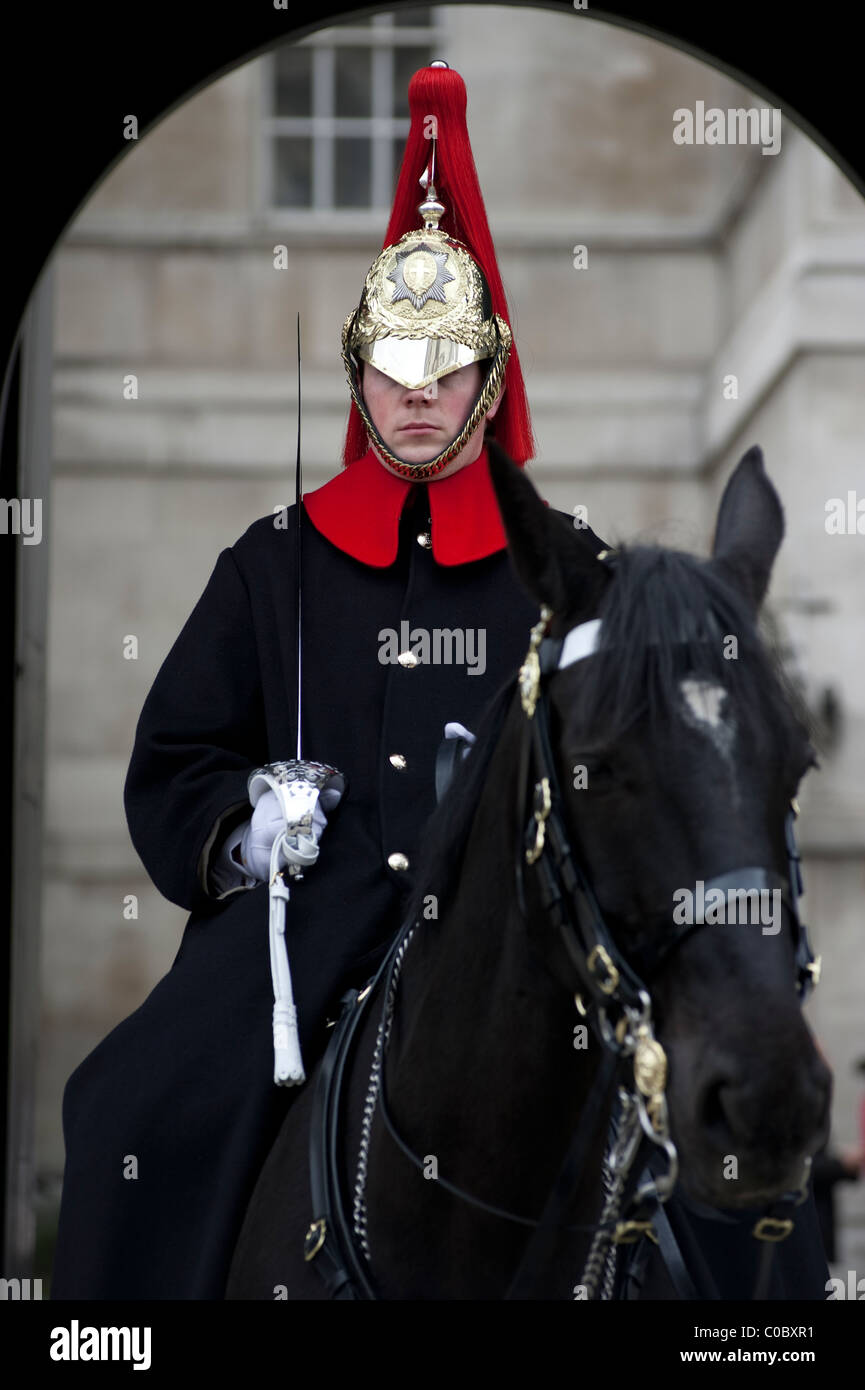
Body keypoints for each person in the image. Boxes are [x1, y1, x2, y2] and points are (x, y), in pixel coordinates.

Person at [50, 62, 553, 1300]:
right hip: (304, 928)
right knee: (123, 1114)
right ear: (359, 374)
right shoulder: (271, 564)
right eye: (396, 362)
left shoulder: (563, 565)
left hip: (505, 950)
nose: (420, 391)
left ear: (487, 377)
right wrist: (242, 832)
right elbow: (175, 762)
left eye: (447, 364)